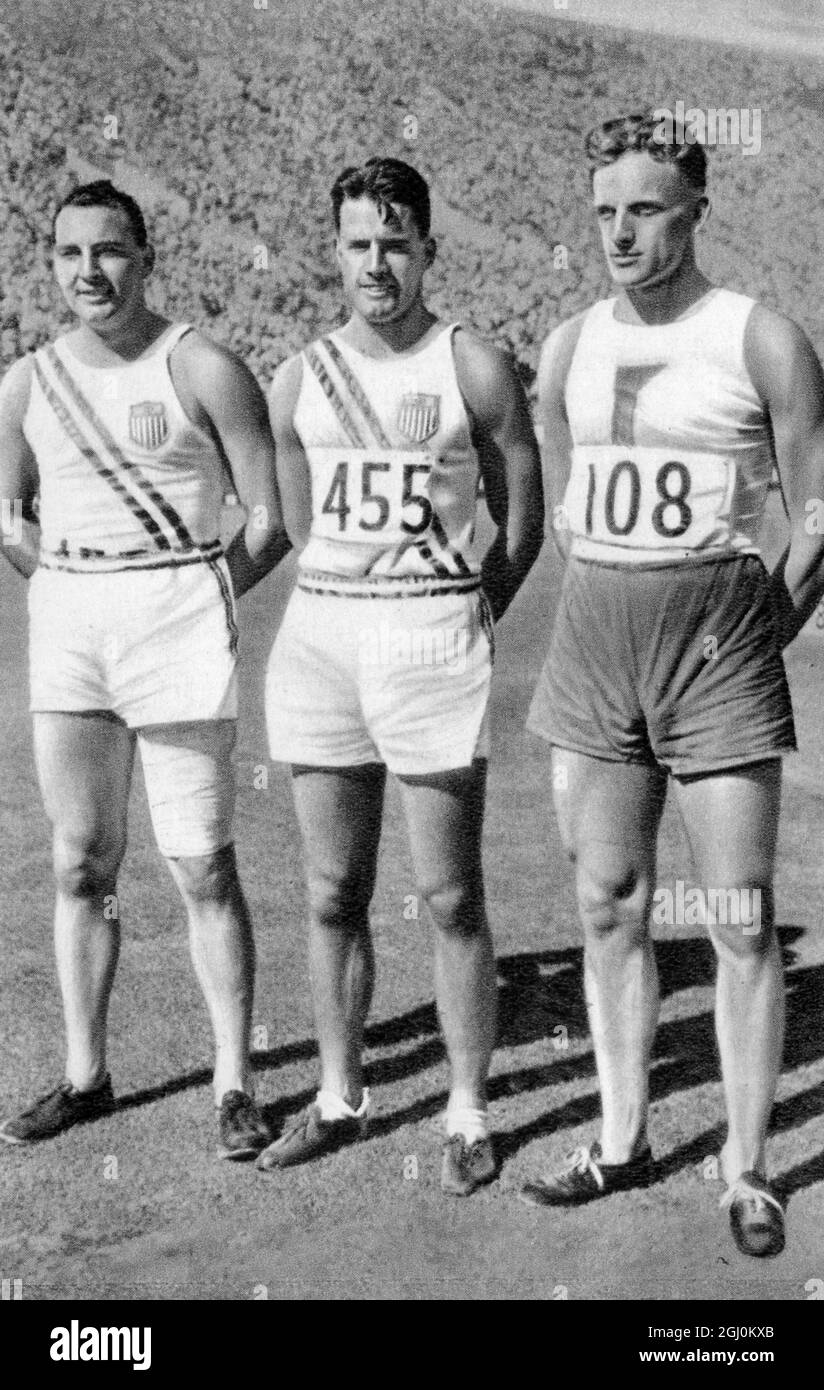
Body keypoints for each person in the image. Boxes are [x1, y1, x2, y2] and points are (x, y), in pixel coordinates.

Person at [519, 112, 824, 1257]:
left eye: (643, 209)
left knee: (737, 917)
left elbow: (810, 513)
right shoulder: (564, 346)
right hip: (596, 644)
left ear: (696, 208)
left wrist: (757, 631)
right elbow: (564, 506)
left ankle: (745, 1170)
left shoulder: (758, 338)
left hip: (716, 653)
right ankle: (620, 1134)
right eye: (602, 211)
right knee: (606, 903)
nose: (618, 232)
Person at [258, 156, 544, 1194]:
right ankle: (339, 1094)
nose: (375, 263)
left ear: (427, 247)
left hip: (431, 644)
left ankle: (467, 1109)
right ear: (334, 251)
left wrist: (475, 609)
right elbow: (296, 522)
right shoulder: (300, 376)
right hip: (324, 644)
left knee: (449, 890)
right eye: (356, 244)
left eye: (394, 242)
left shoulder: (469, 364)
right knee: (333, 887)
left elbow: (523, 507)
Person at [0, 180, 290, 1159]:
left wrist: (201, 596)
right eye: (72, 253)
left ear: (146, 256)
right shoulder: (26, 381)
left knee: (202, 864)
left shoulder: (200, 363)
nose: (91, 271)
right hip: (74, 632)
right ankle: (85, 1076)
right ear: (52, 263)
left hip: (177, 632)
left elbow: (266, 519)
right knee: (82, 860)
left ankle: (233, 1085)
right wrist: (68, 585)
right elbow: (10, 517)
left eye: (111, 251)